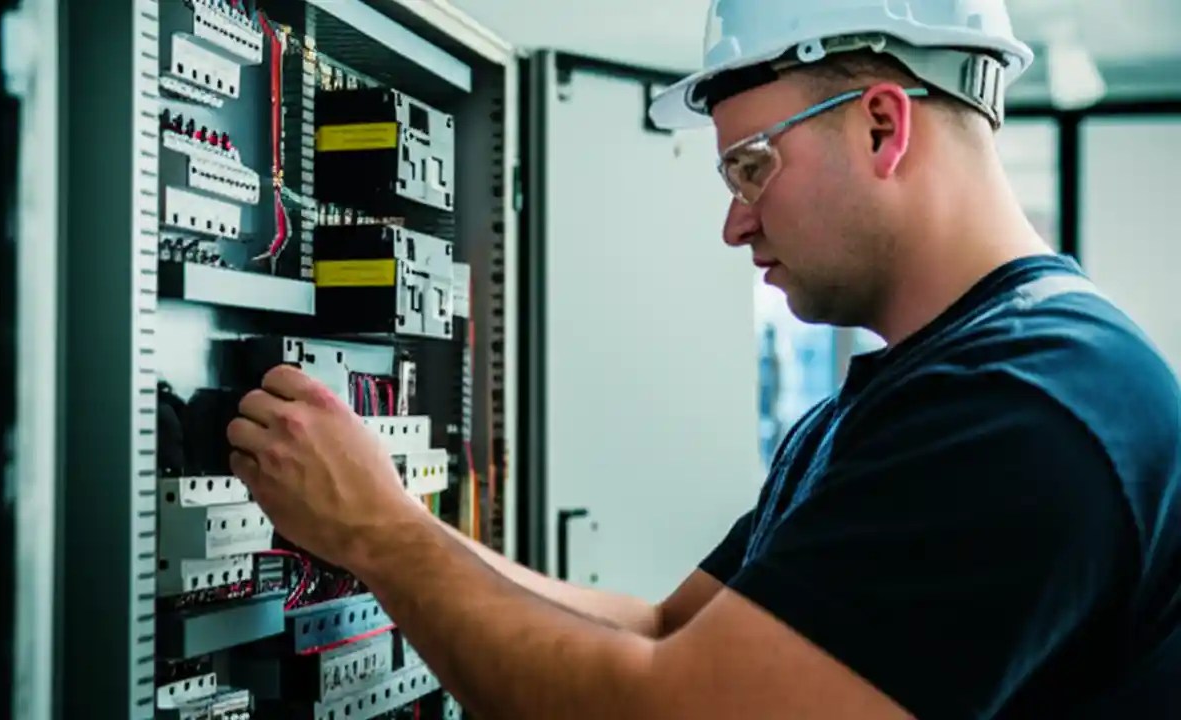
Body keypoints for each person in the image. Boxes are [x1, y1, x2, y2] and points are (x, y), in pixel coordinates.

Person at [226, 0, 1181, 717]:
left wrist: (383, 540)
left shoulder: (1028, 406)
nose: (735, 222)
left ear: (883, 126)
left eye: (752, 166)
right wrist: (385, 516)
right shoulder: (912, 394)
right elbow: (660, 631)